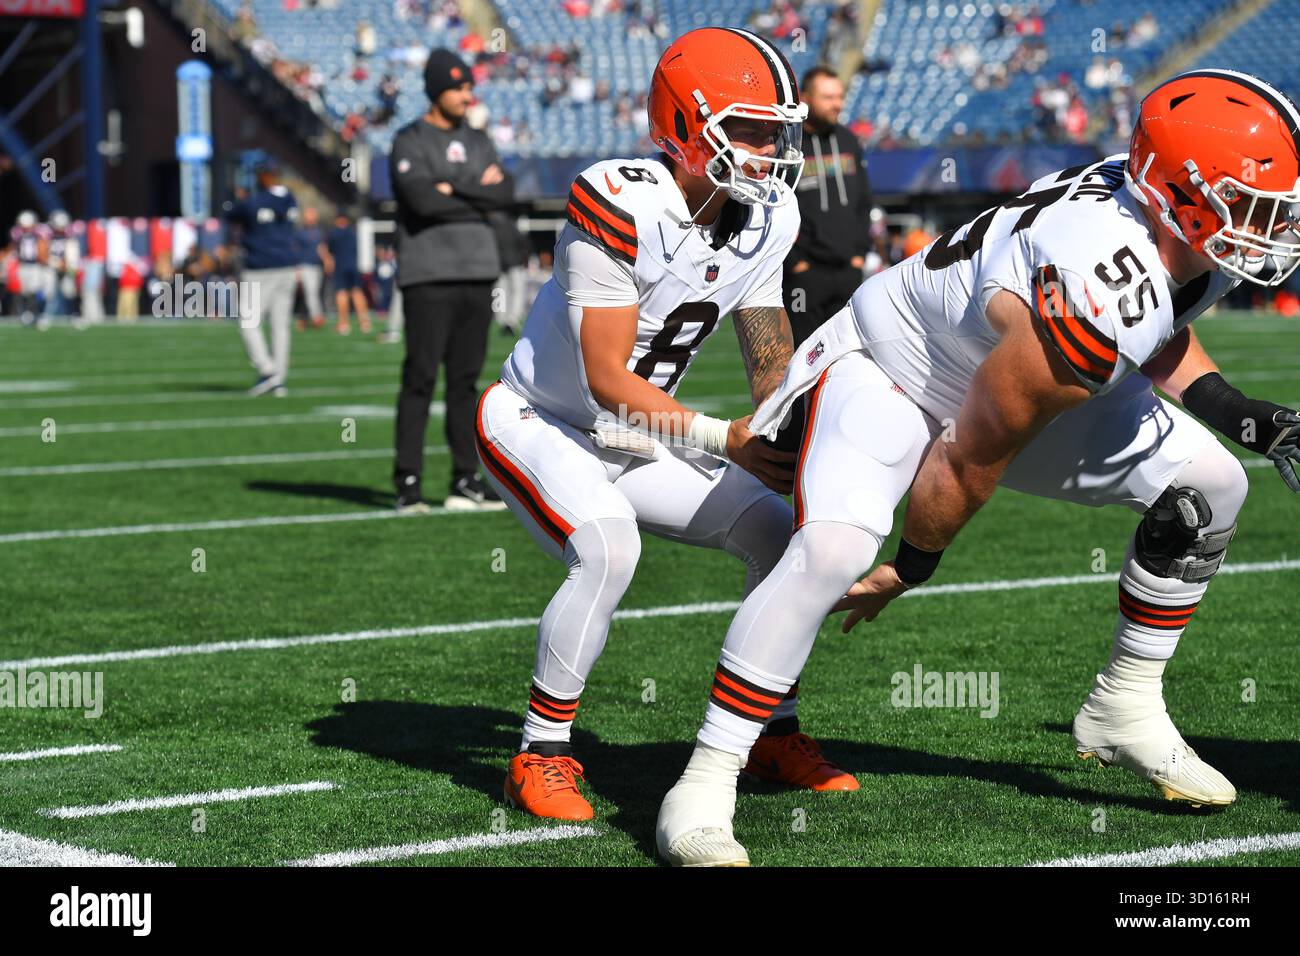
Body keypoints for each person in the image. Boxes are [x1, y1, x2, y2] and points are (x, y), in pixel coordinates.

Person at [656, 68, 1300, 866]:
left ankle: (1125, 704)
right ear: (1182, 194)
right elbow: (969, 452)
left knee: (1211, 485)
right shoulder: (1096, 284)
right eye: (1255, 205)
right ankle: (708, 776)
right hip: (898, 368)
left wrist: (1249, 418)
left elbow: (1159, 317)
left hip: (1007, 370)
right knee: (836, 549)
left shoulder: (1160, 233)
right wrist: (911, 567)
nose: (1272, 228)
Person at [480, 27, 861, 825]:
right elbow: (608, 381)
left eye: (776, 128)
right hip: (542, 418)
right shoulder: (621, 201)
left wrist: (788, 429)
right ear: (690, 125)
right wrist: (729, 441)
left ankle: (765, 729)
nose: (772, 147)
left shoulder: (770, 213)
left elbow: (766, 344)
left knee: (780, 532)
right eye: (750, 128)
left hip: (632, 436)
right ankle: (541, 752)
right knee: (609, 546)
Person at [389, 48, 513, 512]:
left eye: (469, 87)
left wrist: (452, 188)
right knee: (420, 377)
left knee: (466, 382)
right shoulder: (409, 139)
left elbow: (504, 193)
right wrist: (475, 192)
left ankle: (465, 478)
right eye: (458, 87)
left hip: (478, 272)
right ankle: (408, 482)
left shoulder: (479, 139)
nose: (467, 95)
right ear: (436, 89)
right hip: (427, 274)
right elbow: (421, 201)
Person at [783, 66, 873, 345]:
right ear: (806, 98)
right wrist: (796, 263)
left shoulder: (848, 140)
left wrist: (859, 254)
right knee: (803, 356)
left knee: (847, 354)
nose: (838, 104)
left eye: (840, 97)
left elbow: (863, 201)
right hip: (806, 274)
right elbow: (774, 206)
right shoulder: (787, 143)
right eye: (829, 98)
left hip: (848, 269)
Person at [223, 159, 301, 396]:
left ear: (265, 176)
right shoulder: (290, 198)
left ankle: (267, 370)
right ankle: (278, 378)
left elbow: (231, 213)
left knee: (248, 321)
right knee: (280, 326)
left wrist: (238, 197)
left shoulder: (253, 201)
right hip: (286, 266)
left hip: (260, 267)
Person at [326, 211, 370, 335]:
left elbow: (329, 250)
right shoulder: (353, 232)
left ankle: (343, 324)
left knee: (342, 293)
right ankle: (364, 322)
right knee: (357, 292)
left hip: (341, 266)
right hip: (354, 265)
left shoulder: (334, 233)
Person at [296, 206, 328, 329]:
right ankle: (317, 317)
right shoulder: (300, 232)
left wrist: (327, 260)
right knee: (310, 293)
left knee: (311, 293)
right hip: (304, 266)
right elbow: (295, 250)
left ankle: (303, 319)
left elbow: (322, 248)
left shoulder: (320, 231)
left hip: (317, 266)